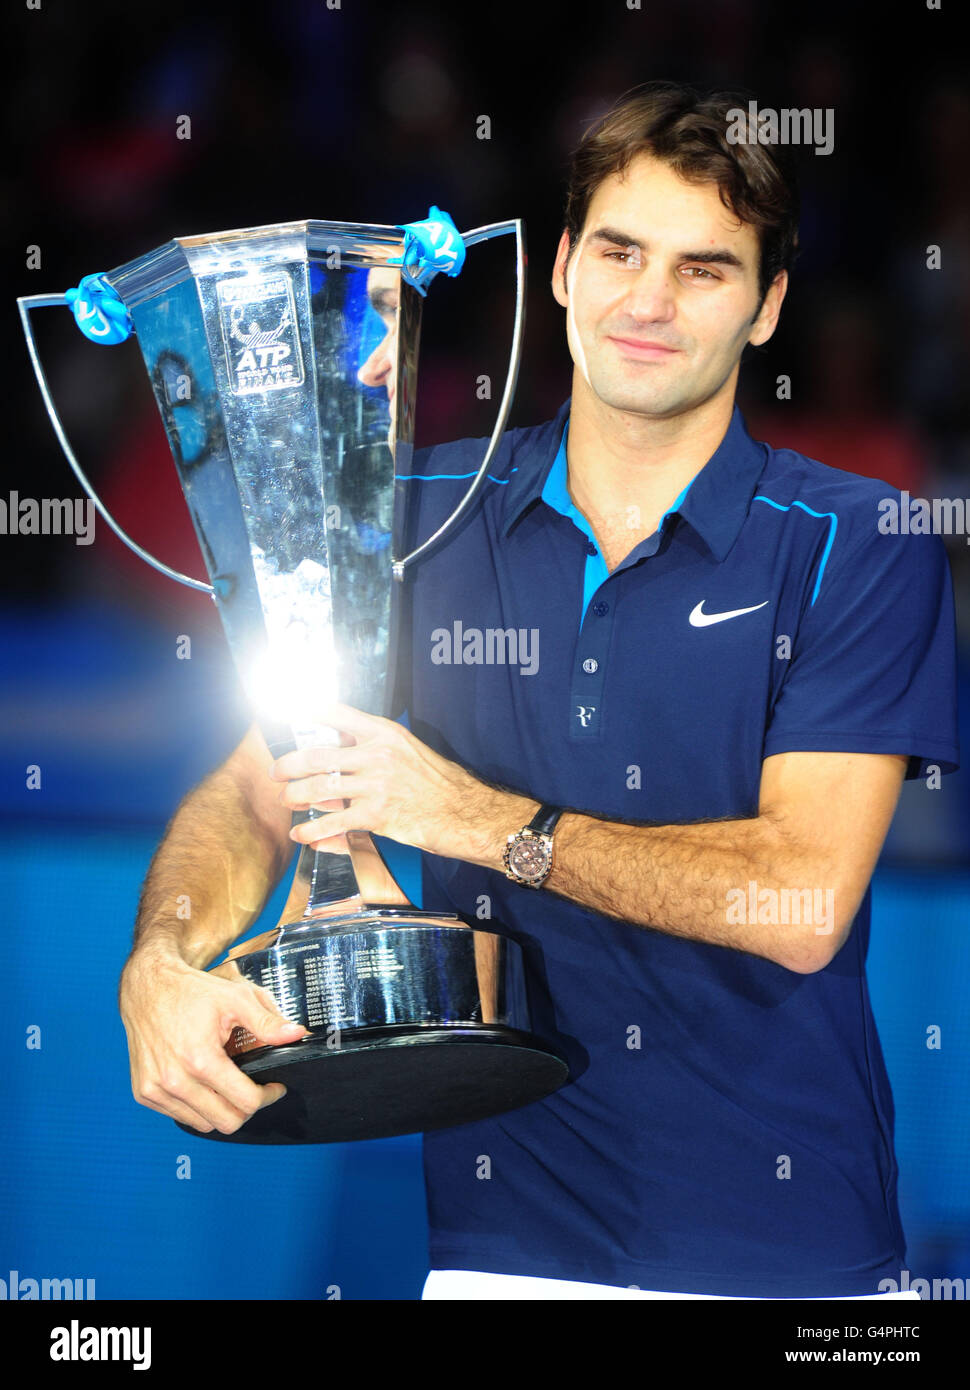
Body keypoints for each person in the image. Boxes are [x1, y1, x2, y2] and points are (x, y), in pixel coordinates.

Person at [119, 82, 959, 1300]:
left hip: (788, 1263)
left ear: (768, 308)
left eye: (705, 269)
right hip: (497, 1255)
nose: (650, 302)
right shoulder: (412, 513)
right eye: (618, 251)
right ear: (561, 267)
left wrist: (468, 819)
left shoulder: (856, 540)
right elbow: (262, 787)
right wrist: (162, 959)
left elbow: (800, 899)